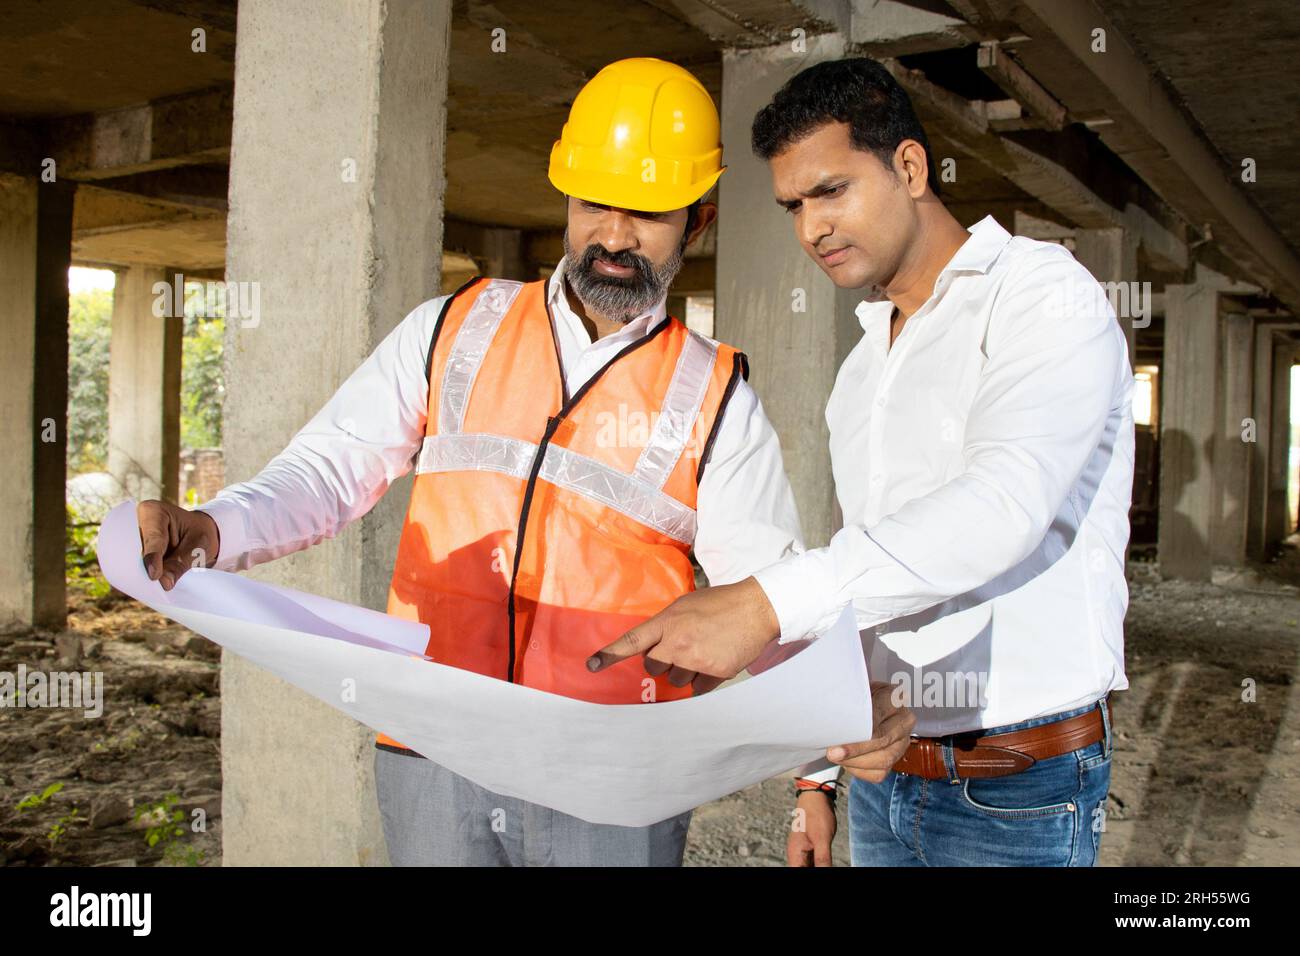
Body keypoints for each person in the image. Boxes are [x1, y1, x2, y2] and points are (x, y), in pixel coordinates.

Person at [134, 57, 913, 868]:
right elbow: (329, 470)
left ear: (699, 221)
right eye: (593, 204)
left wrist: (814, 778)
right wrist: (210, 527)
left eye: (647, 214)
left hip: (612, 771)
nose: (613, 236)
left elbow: (770, 594)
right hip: (434, 748)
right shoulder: (453, 329)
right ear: (566, 198)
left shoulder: (715, 393)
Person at [590, 56, 1134, 867]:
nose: (811, 229)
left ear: (910, 167)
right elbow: (873, 577)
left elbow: (1004, 504)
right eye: (793, 206)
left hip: (1016, 784)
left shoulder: (1040, 297)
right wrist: (818, 782)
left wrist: (765, 605)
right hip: (881, 774)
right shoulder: (862, 367)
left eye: (832, 191)